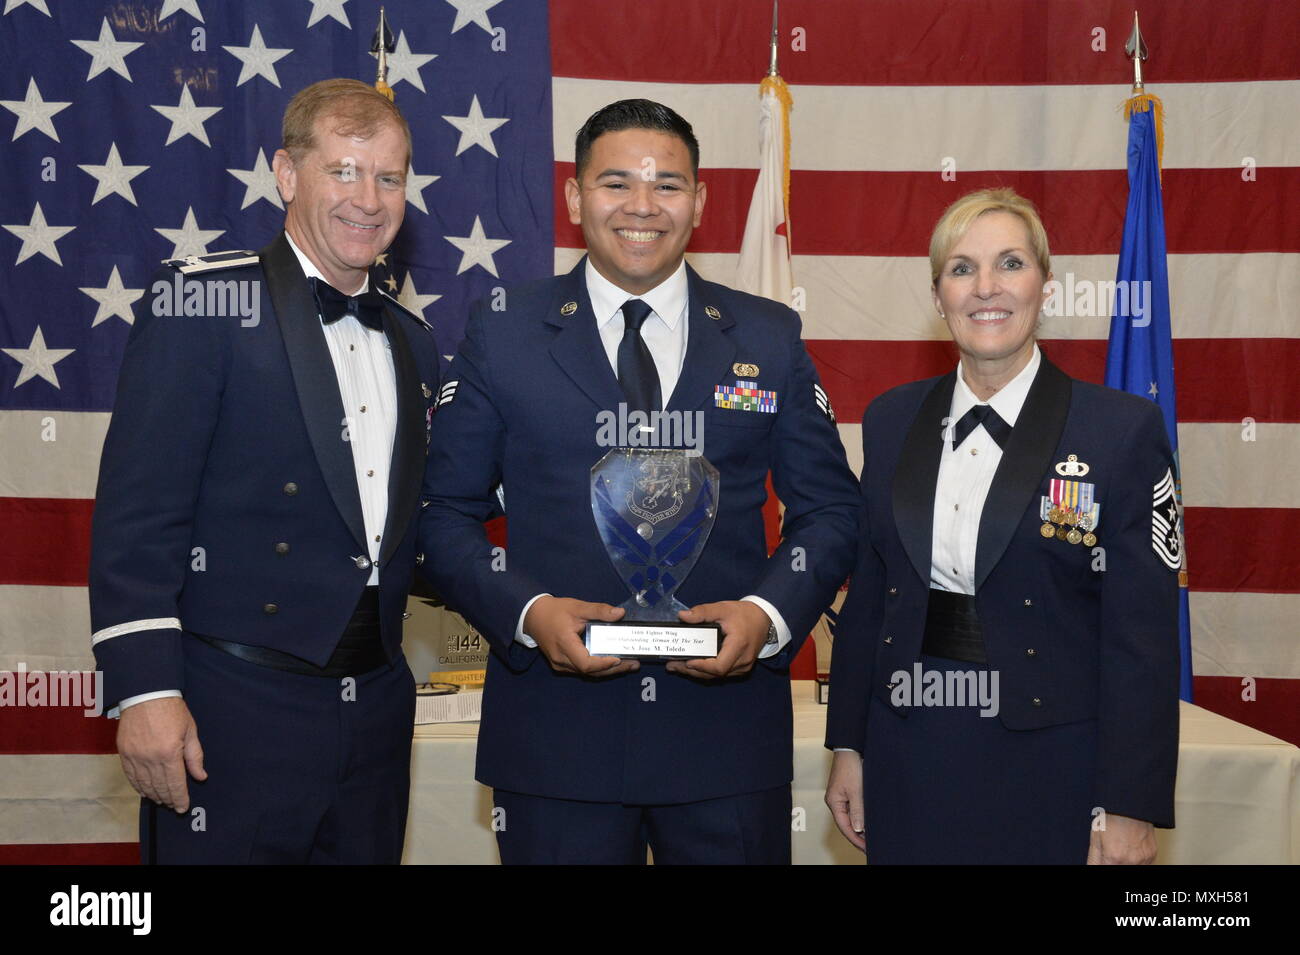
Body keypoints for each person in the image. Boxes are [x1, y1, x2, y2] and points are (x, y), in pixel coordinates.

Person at [420, 99, 859, 864]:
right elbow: (441, 514)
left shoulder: (767, 337)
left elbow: (830, 511)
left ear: (700, 201)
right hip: (558, 740)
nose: (643, 206)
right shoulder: (505, 330)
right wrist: (528, 611)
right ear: (574, 196)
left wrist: (765, 614)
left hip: (725, 741)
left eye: (668, 185)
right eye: (616, 182)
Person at [89, 78, 441, 864]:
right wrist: (145, 689)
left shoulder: (415, 341)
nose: (368, 198)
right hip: (230, 712)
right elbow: (138, 517)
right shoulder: (203, 304)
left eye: (388, 177)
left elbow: (420, 526)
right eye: (343, 170)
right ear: (286, 174)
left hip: (378, 710)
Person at [824, 187, 1180, 864]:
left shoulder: (1120, 431)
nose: (986, 287)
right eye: (962, 269)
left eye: (1010, 263)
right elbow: (871, 594)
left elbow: (1143, 638)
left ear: (1046, 285)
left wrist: (1129, 803)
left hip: (1055, 767)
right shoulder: (892, 419)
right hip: (908, 753)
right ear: (938, 296)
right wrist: (849, 744)